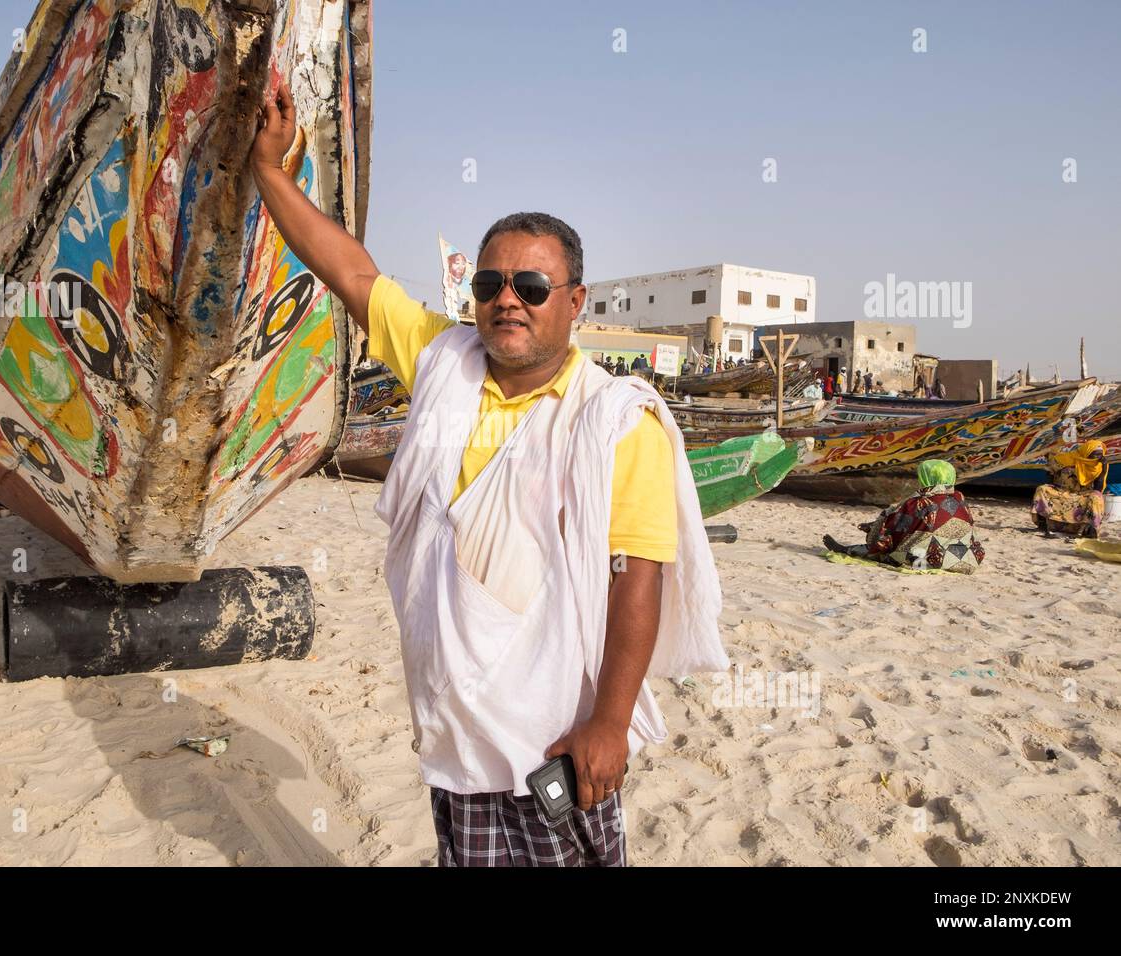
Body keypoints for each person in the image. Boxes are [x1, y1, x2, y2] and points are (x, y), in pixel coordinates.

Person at [250, 85, 725, 867]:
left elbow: (635, 574)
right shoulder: (444, 360)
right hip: (454, 723)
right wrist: (273, 175)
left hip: (551, 731)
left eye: (531, 288)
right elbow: (353, 274)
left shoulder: (614, 420)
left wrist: (610, 721)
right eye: (490, 284)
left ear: (574, 302)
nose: (508, 301)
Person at [823, 460, 985, 573]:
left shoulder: (917, 503)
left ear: (925, 478)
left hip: (926, 562)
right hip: (968, 559)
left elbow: (890, 536)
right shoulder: (960, 498)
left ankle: (846, 550)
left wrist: (876, 527)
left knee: (884, 547)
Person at [1032, 440, 1109, 538]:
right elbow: (1050, 472)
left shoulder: (1099, 466)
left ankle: (1091, 530)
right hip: (1062, 491)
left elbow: (1099, 489)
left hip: (1082, 494)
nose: (1097, 458)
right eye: (1095, 455)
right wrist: (1054, 483)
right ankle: (1042, 524)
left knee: (1096, 496)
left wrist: (1104, 469)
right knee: (1042, 489)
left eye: (1100, 455)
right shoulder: (1066, 459)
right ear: (1086, 452)